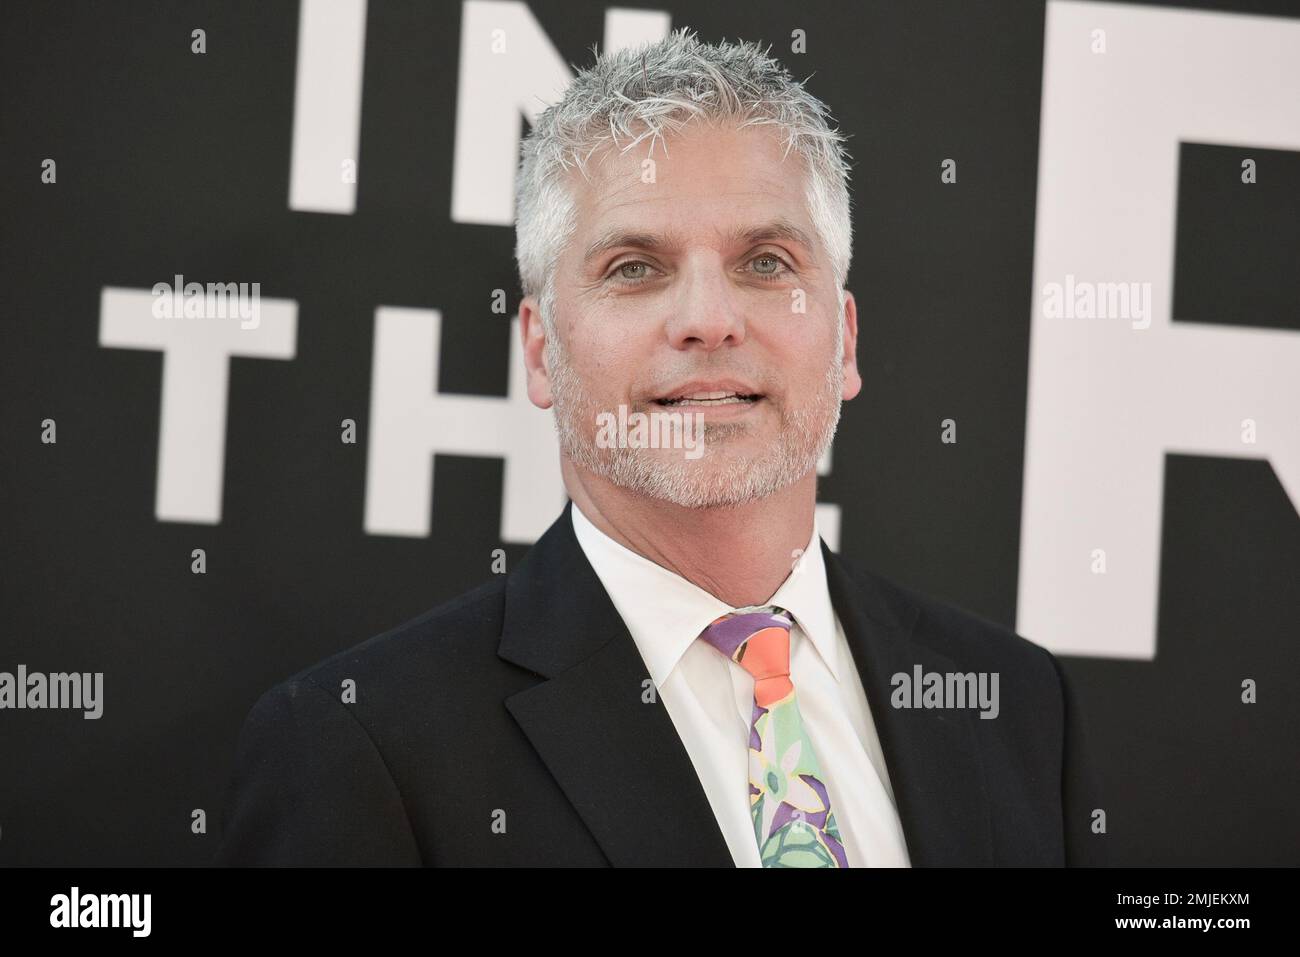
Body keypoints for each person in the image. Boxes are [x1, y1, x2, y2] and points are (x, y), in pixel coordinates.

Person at [215, 28, 1104, 867]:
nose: (709, 321)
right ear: (540, 349)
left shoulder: (1011, 700)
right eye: (635, 268)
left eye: (766, 262)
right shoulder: (360, 744)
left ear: (845, 340)